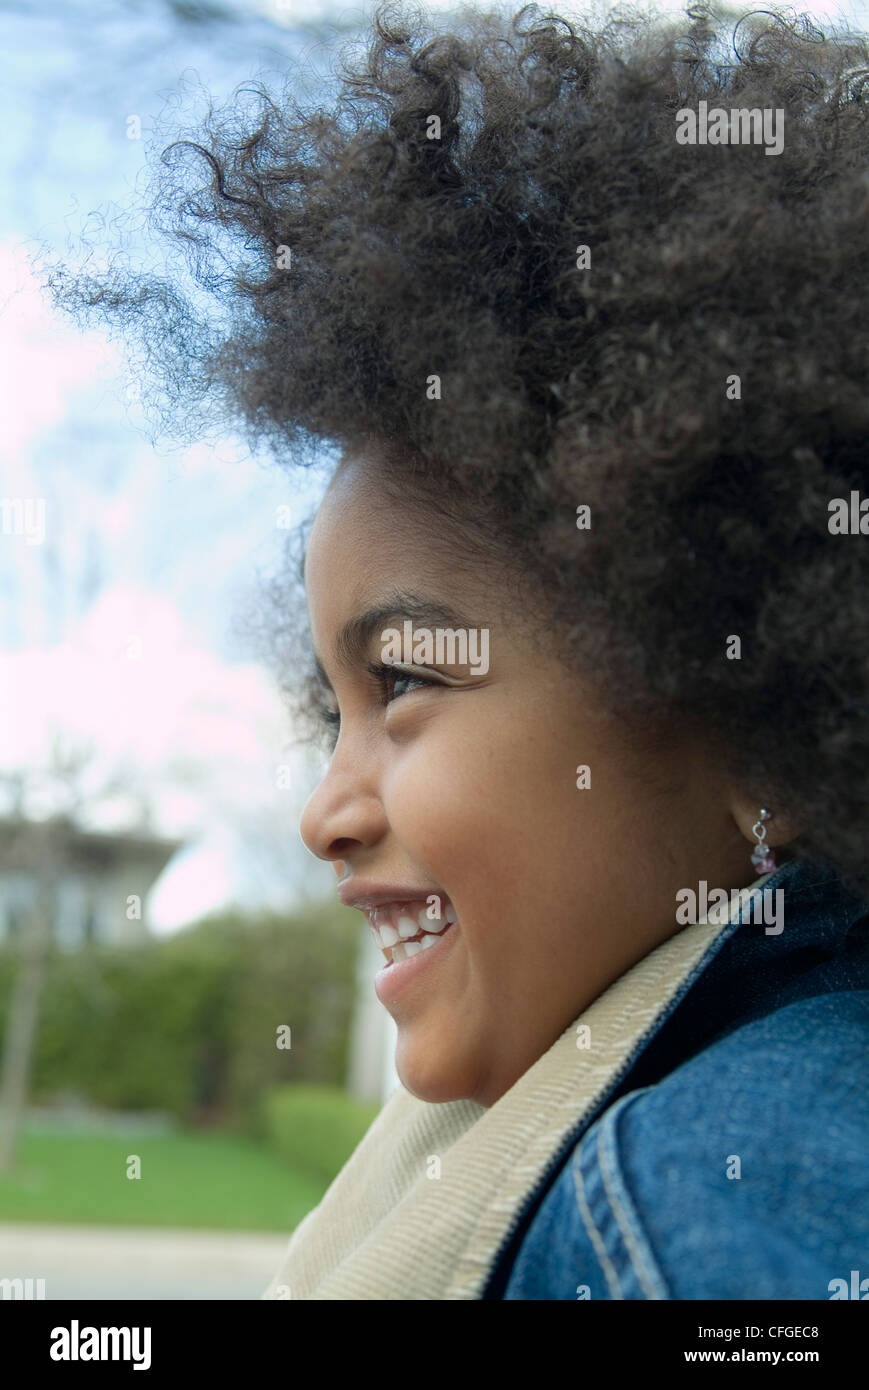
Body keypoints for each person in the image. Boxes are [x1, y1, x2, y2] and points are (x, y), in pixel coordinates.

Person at [51, 0, 869, 1299]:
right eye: (333, 712)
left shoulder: (689, 1194)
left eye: (407, 680)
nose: (324, 810)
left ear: (750, 710)